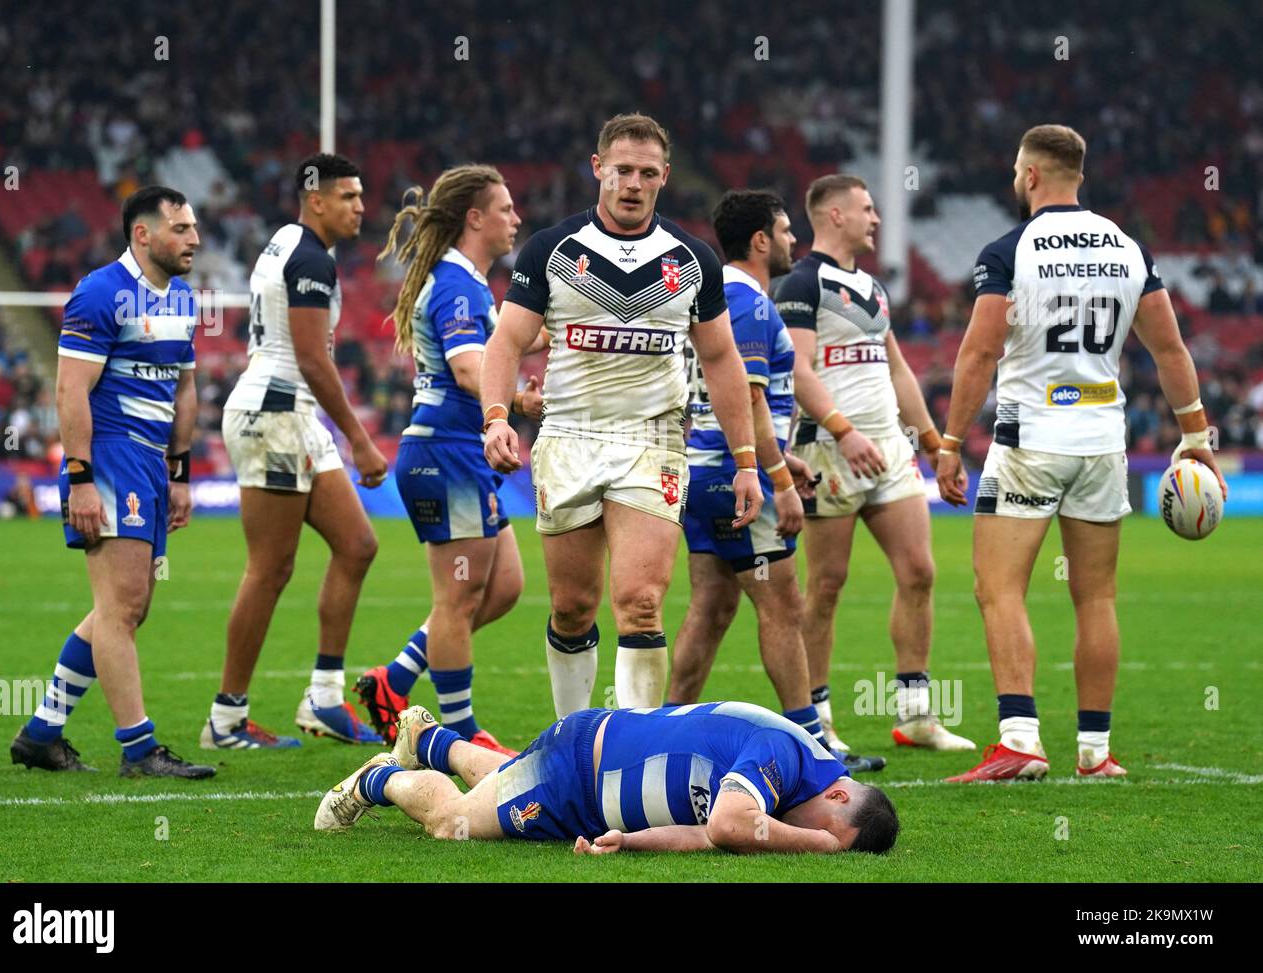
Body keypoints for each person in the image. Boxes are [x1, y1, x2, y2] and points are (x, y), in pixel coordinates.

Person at [936, 124, 1228, 781]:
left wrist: (951, 443)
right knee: (1096, 597)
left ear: (1031, 175)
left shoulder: (1010, 250)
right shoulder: (1128, 248)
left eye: (1017, 171)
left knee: (999, 588)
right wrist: (1195, 437)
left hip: (1030, 440)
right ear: (1080, 175)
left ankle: (1020, 739)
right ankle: (1095, 751)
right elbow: (1170, 349)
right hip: (1101, 441)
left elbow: (980, 352)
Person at [479, 113, 763, 716]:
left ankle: (634, 747)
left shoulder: (693, 259)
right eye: (623, 170)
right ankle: (573, 740)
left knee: (640, 603)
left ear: (665, 177)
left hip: (653, 441)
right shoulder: (551, 249)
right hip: (568, 436)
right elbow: (506, 342)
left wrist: (747, 462)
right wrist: (497, 417)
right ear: (598, 168)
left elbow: (721, 360)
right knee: (572, 608)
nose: (633, 184)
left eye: (647, 173)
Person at [664, 189, 884, 774]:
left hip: (702, 471)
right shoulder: (751, 304)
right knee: (784, 606)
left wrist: (783, 458)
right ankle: (813, 748)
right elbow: (752, 399)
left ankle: (664, 731)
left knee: (711, 607)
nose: (793, 241)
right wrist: (780, 478)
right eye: (786, 232)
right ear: (761, 240)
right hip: (740, 477)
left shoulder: (712, 297)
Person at [11, 186, 215, 778]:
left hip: (151, 462)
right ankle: (139, 749)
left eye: (194, 227)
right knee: (121, 608)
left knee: (127, 608)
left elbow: (184, 389)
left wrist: (180, 472)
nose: (194, 239)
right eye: (181, 228)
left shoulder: (184, 299)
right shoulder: (101, 292)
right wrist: (81, 478)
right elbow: (70, 390)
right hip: (110, 455)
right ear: (143, 234)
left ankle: (41, 733)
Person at [775, 175, 974, 754]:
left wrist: (934, 443)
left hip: (888, 448)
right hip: (826, 449)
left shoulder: (873, 287)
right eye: (867, 208)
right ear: (834, 214)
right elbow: (798, 369)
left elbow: (898, 370)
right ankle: (817, 722)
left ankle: (915, 715)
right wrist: (844, 430)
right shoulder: (802, 283)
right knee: (826, 585)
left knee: (919, 572)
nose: (877, 218)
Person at [352, 165, 542, 754]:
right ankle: (460, 731)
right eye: (506, 209)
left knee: (504, 586)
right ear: (475, 218)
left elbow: (507, 343)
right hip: (446, 454)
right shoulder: (457, 285)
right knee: (456, 600)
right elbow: (467, 369)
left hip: (460, 453)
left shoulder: (469, 282)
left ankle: (395, 678)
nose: (516, 219)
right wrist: (515, 400)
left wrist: (568, 325)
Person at [203, 153, 387, 750]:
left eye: (360, 196)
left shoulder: (285, 241)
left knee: (357, 545)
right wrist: (359, 439)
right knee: (270, 568)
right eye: (349, 197)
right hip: (275, 414)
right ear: (316, 200)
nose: (360, 207)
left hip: (289, 414)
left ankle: (324, 699)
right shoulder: (311, 259)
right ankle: (226, 719)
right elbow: (310, 357)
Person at [315, 700, 899, 855]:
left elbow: (708, 834)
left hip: (593, 789)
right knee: (453, 822)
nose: (808, 839)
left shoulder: (794, 782)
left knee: (509, 778)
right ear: (838, 795)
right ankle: (378, 779)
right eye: (822, 831)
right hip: (577, 773)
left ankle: (427, 740)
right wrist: (819, 843)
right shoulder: (785, 755)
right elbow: (728, 826)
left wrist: (630, 840)